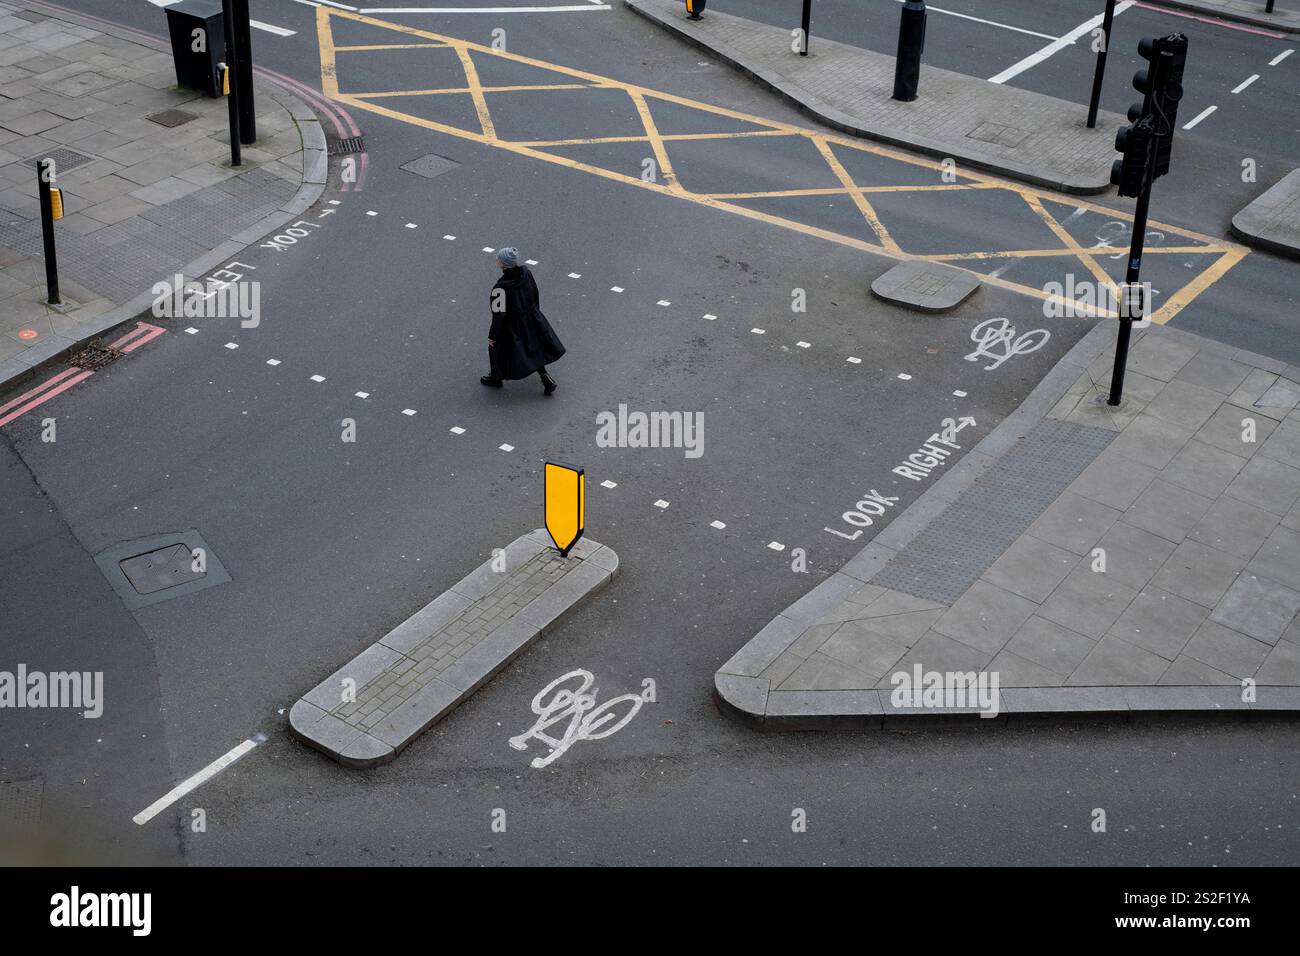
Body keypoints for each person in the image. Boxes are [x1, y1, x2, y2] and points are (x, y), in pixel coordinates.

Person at [481, 247, 564, 396]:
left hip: (513, 325)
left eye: (499, 259)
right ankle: (546, 378)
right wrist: (535, 314)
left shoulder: (500, 288)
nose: (497, 260)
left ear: (504, 264)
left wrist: (493, 335)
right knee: (536, 347)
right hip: (531, 317)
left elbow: (498, 315)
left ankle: (495, 377)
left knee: (494, 347)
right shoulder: (526, 273)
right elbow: (535, 293)